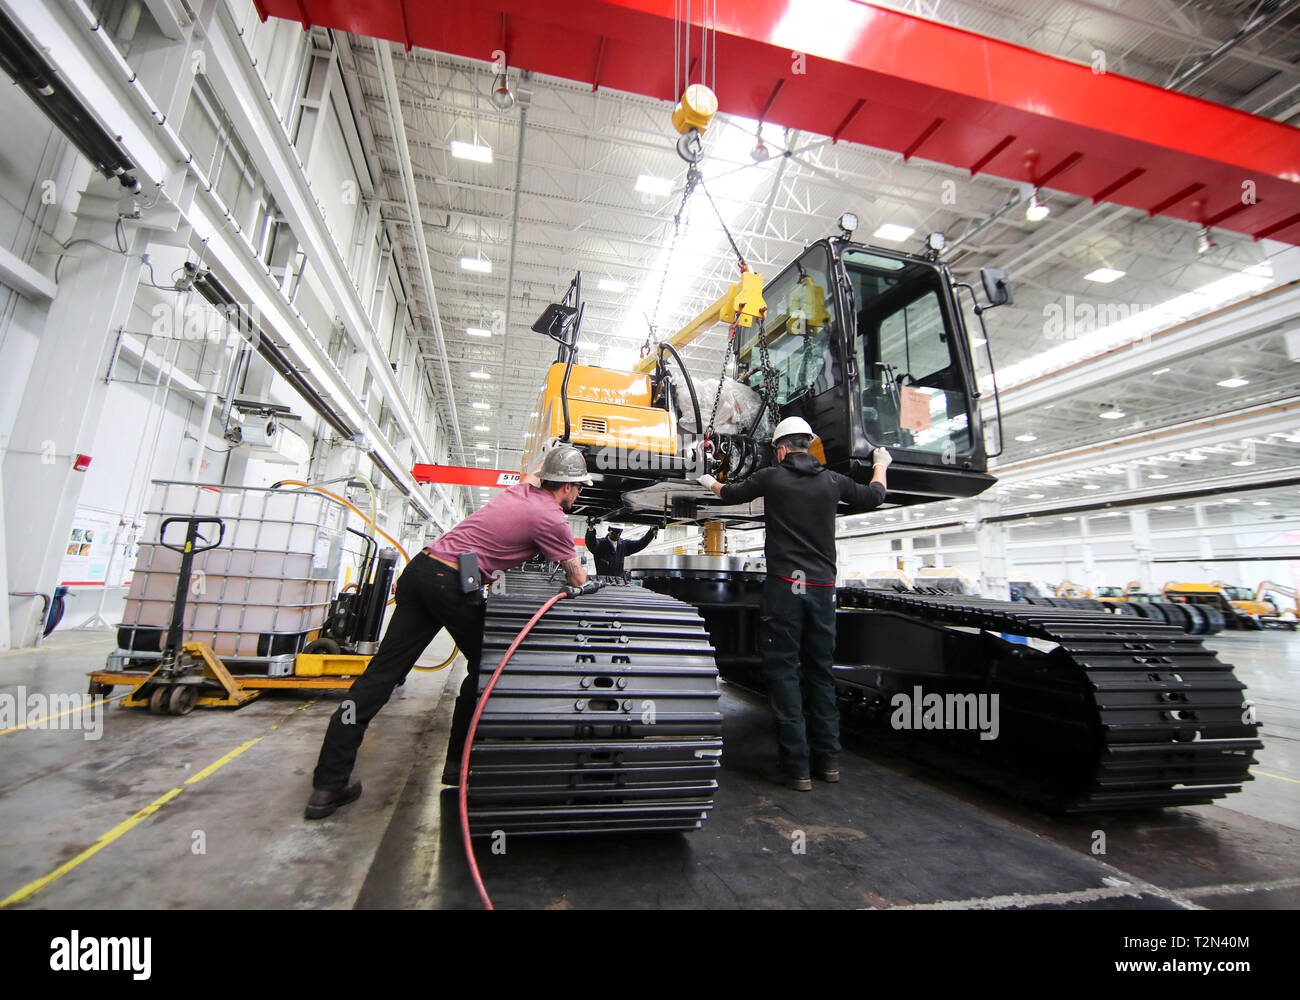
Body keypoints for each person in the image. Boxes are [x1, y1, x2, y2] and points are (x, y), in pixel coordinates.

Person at [305, 445, 593, 819]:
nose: (579, 495)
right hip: (452, 583)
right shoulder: (551, 518)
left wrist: (552, 454)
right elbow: (577, 577)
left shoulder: (520, 491)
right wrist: (584, 581)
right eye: (579, 487)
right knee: (486, 668)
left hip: (422, 569)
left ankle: (327, 786)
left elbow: (535, 476)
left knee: (380, 677)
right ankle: (459, 764)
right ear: (568, 487)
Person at [697, 417, 890, 791]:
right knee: (820, 672)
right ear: (809, 444)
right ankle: (828, 762)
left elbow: (728, 493)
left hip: (786, 590)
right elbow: (875, 495)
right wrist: (880, 463)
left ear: (781, 449)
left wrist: (707, 480)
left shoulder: (772, 477)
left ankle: (797, 767)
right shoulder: (833, 482)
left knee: (784, 671)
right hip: (821, 590)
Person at [584, 521, 658, 577]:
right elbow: (591, 543)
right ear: (609, 529)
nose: (617, 534)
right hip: (603, 582)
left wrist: (651, 532)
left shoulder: (624, 545)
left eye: (619, 532)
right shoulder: (600, 545)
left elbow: (640, 544)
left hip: (619, 582)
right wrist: (591, 529)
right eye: (615, 531)